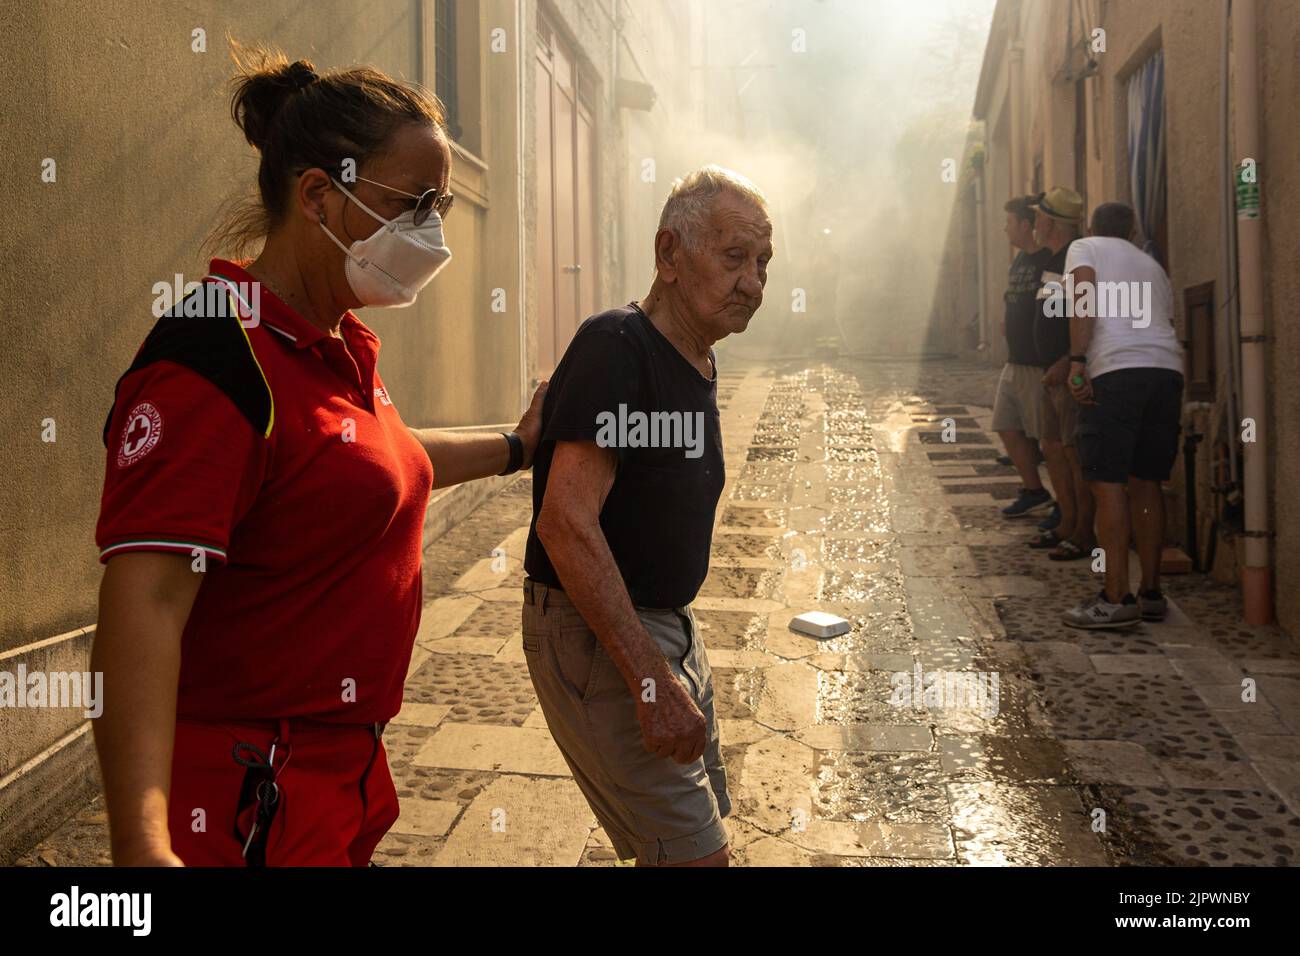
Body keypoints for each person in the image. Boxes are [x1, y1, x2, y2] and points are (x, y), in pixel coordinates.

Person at [92, 47, 546, 866]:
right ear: (317, 196)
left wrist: (519, 446)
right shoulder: (213, 363)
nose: (432, 231)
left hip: (332, 780)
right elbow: (144, 605)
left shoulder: (333, 339)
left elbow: (386, 464)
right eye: (413, 204)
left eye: (439, 204)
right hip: (239, 798)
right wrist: (142, 846)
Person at [521, 166, 772, 867]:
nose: (753, 281)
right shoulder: (618, 347)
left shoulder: (697, 356)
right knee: (695, 857)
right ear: (669, 254)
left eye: (763, 263)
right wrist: (650, 678)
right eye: (733, 258)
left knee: (690, 834)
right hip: (602, 632)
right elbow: (565, 523)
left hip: (663, 626)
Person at [1062, 201, 1185, 628]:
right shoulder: (1152, 264)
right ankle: (1151, 592)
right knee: (1146, 480)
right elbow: (1164, 318)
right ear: (1132, 232)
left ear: (1092, 227)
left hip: (1117, 373)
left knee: (1107, 483)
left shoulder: (1084, 248)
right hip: (1166, 370)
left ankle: (1116, 596)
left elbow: (1083, 298)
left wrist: (1078, 359)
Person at [1026, 187, 1095, 562]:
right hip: (1049, 371)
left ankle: (1085, 531)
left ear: (1049, 221)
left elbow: (1085, 312)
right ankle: (1067, 521)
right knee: (1053, 449)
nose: (1034, 222)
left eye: (1038, 216)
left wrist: (1068, 360)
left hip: (1066, 371)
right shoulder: (1056, 257)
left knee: (1073, 452)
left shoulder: (1074, 256)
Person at [993, 195, 1054, 520]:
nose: (1005, 229)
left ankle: (1062, 505)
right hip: (1014, 361)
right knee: (1006, 425)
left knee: (1047, 438)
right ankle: (1034, 490)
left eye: (1010, 223)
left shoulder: (1047, 260)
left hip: (1035, 363)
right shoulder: (1017, 262)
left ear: (1026, 225)